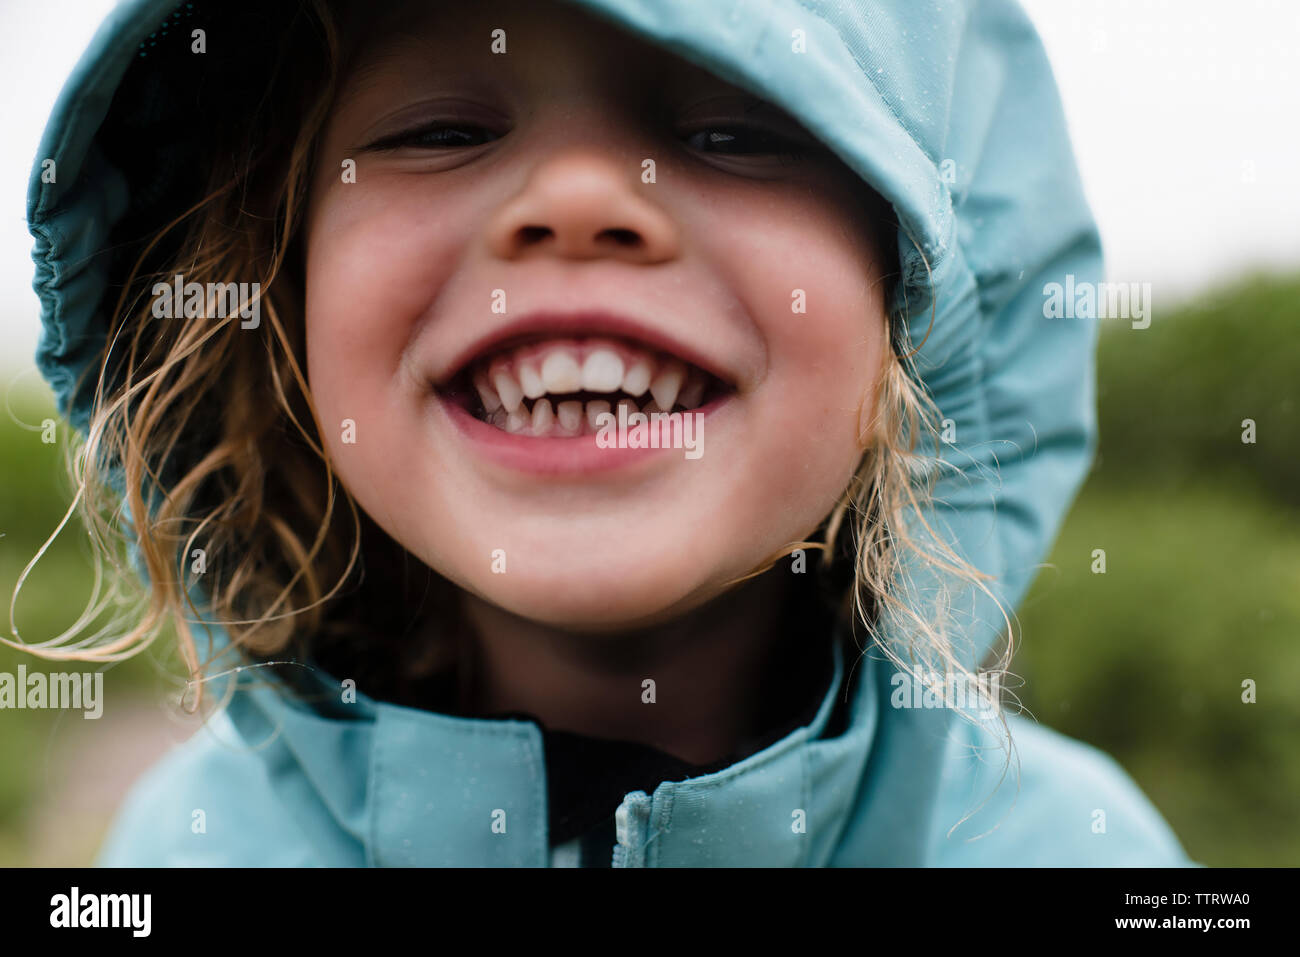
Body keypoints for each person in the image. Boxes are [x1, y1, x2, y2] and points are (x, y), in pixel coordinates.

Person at [23, 0, 1192, 866]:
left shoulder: (1081, 853)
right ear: (280, 295)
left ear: (924, 310)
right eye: (437, 130)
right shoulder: (190, 851)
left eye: (737, 132)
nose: (579, 196)